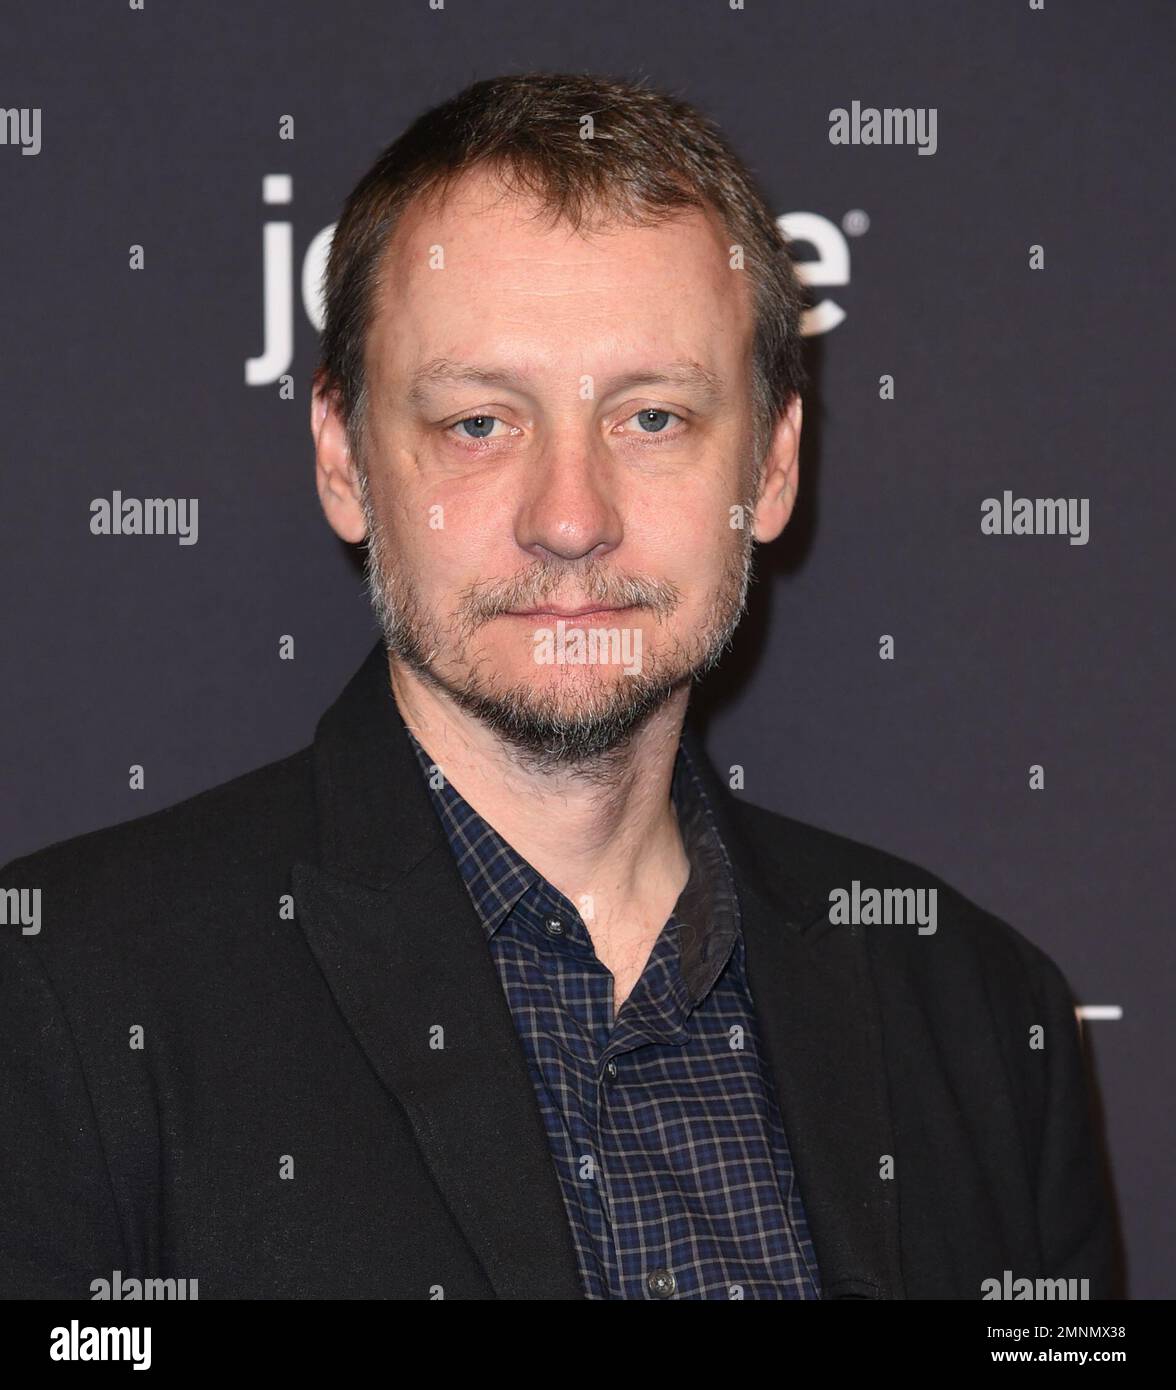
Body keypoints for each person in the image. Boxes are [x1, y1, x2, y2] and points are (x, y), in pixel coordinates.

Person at [0, 73, 1116, 1300]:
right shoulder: (67, 1007)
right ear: (343, 461)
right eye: (481, 423)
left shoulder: (978, 1016)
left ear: (776, 463)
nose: (571, 518)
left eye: (653, 417)